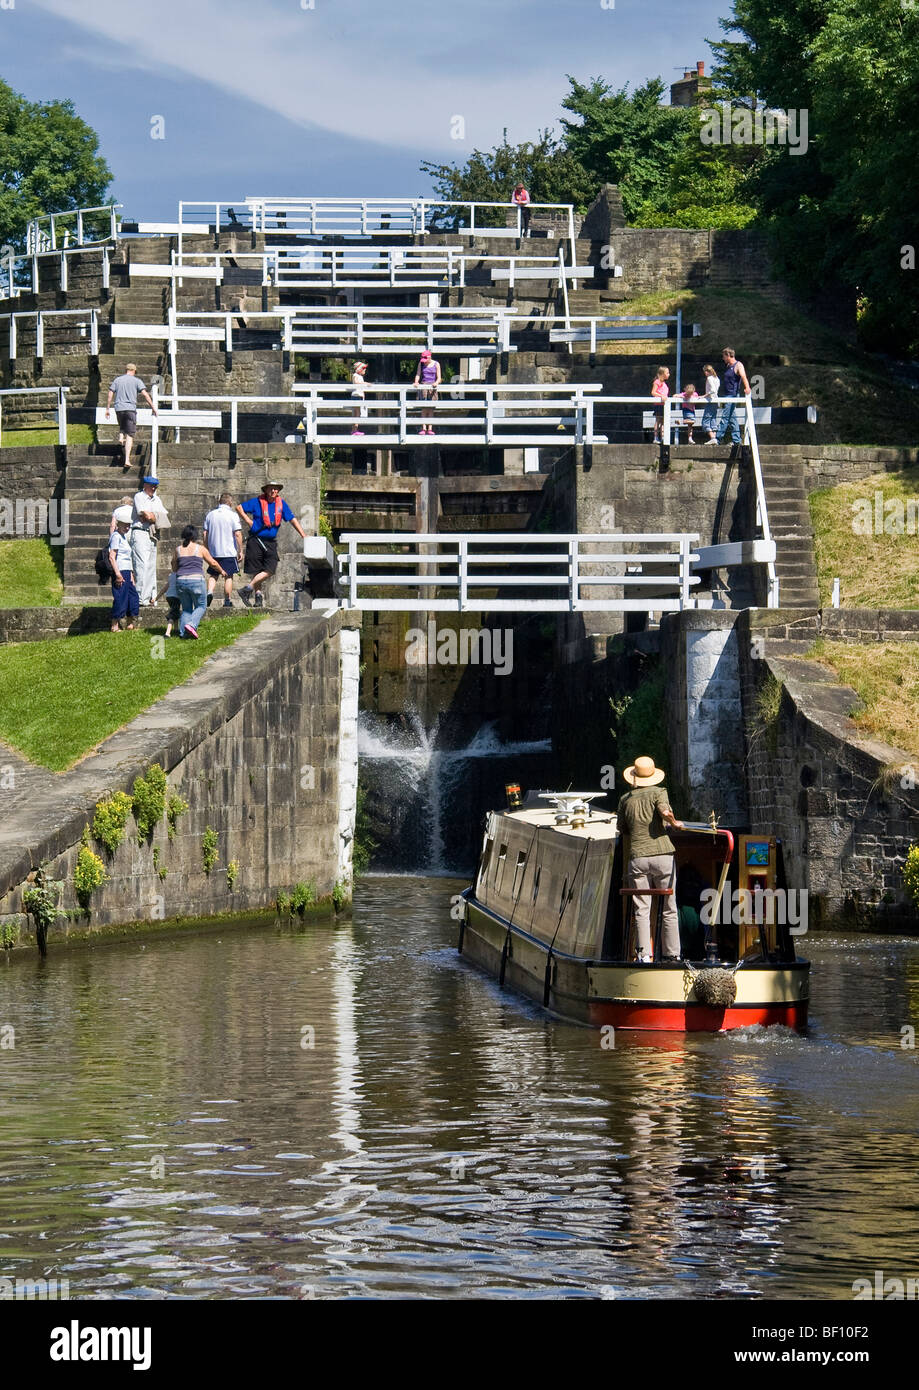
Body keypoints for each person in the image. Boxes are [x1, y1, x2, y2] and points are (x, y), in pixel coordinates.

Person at [616, 756, 685, 963]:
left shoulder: (625, 799)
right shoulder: (659, 792)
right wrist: (674, 822)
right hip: (663, 856)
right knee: (669, 908)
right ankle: (673, 955)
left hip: (638, 858)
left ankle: (644, 955)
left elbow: (622, 828)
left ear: (634, 777)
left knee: (642, 909)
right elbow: (664, 811)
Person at [235, 481, 307, 607]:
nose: (273, 491)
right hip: (256, 540)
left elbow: (292, 519)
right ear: (266, 490)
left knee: (270, 569)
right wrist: (249, 521)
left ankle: (247, 589)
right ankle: (258, 598)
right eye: (271, 489)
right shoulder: (257, 502)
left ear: (278, 491)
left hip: (270, 542)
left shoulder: (281, 504)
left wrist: (303, 535)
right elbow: (239, 508)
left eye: (275, 489)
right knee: (257, 570)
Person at [171, 525, 228, 639]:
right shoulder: (200, 549)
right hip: (196, 580)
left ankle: (183, 634)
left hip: (181, 580)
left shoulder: (178, 549)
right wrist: (222, 571)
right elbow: (213, 563)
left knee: (186, 609)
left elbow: (174, 566)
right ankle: (192, 625)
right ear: (195, 536)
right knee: (202, 605)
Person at [105, 364, 158, 473]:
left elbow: (110, 393)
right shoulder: (137, 381)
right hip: (130, 409)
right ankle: (127, 460)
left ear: (126, 370)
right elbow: (145, 395)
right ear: (134, 371)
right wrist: (153, 407)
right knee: (130, 435)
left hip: (118, 408)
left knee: (122, 424)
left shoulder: (117, 380)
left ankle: (121, 437)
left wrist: (107, 408)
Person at [130, 476, 170, 606]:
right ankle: (139, 598)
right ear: (145, 485)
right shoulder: (139, 497)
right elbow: (146, 516)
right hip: (140, 532)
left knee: (151, 567)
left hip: (152, 534)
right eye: (151, 486)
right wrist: (153, 516)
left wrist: (152, 516)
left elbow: (162, 516)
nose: (153, 489)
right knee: (142, 565)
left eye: (155, 487)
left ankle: (145, 599)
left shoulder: (157, 499)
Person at [203, 493, 243, 608]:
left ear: (219, 501)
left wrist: (206, 548)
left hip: (214, 551)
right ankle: (227, 601)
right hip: (228, 552)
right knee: (228, 576)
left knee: (213, 575)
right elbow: (237, 533)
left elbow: (205, 533)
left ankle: (209, 592)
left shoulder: (210, 515)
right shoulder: (233, 515)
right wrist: (241, 550)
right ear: (230, 502)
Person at [108, 506, 139, 633]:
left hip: (126, 570)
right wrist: (117, 574)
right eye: (125, 525)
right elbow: (112, 556)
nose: (127, 528)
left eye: (128, 525)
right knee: (120, 597)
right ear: (119, 524)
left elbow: (128, 558)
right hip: (120, 570)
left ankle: (130, 623)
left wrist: (131, 575)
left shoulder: (124, 537)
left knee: (133, 596)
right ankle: (114, 625)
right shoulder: (116, 536)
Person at [715, 346, 751, 447]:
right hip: (727, 395)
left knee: (725, 417)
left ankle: (717, 438)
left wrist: (747, 388)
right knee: (732, 418)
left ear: (728, 355)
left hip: (732, 395)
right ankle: (737, 440)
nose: (723, 358)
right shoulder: (728, 366)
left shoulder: (738, 365)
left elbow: (743, 377)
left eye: (723, 356)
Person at [413, 349, 441, 436]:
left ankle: (430, 429)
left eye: (425, 359)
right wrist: (416, 382)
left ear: (429, 357)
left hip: (432, 387)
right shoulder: (421, 363)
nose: (424, 361)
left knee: (431, 408)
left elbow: (439, 377)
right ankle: (423, 428)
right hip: (424, 387)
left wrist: (436, 383)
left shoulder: (436, 364)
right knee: (424, 408)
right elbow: (418, 374)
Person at [701, 363, 720, 442]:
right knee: (713, 419)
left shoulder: (709, 378)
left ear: (707, 371)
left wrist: (704, 395)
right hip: (716, 400)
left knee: (706, 420)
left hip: (711, 400)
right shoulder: (716, 378)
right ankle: (714, 438)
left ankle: (712, 437)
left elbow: (713, 390)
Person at [651, 366, 670, 443]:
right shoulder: (657, 382)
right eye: (667, 373)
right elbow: (653, 392)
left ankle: (663, 437)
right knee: (658, 420)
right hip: (658, 405)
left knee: (663, 421)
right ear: (662, 374)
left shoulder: (664, 383)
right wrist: (661, 396)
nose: (669, 374)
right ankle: (656, 437)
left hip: (664, 405)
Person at [350, 361, 369, 437]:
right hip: (356, 396)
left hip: (359, 396)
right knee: (357, 413)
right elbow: (356, 382)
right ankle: (354, 430)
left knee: (358, 413)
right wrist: (365, 384)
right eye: (363, 368)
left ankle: (354, 430)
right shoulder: (355, 375)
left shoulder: (361, 377)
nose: (365, 370)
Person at [163, 569, 181, 638]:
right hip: (175, 596)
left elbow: (165, 588)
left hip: (169, 596)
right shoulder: (180, 574)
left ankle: (176, 629)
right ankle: (167, 633)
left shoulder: (171, 575)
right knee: (173, 614)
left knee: (175, 611)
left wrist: (156, 598)